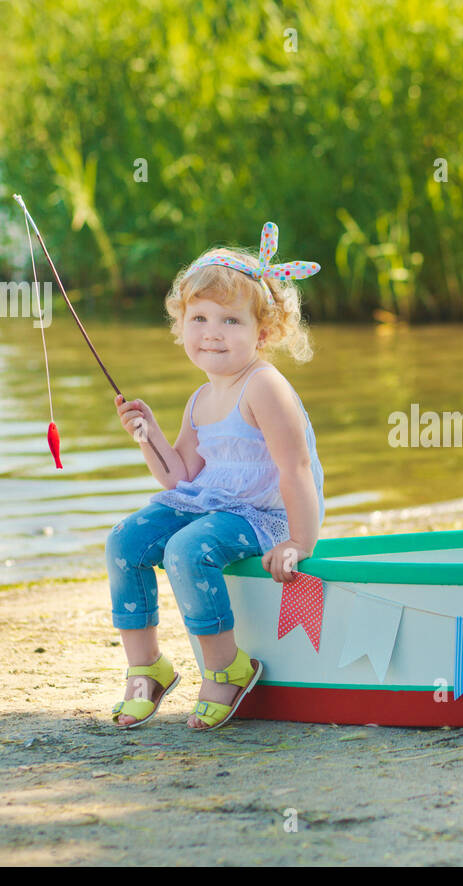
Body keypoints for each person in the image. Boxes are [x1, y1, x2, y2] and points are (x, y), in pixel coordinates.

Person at [105, 223, 324, 730]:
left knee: (186, 550)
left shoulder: (264, 386)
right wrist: (148, 434)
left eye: (230, 320)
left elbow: (294, 469)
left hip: (267, 515)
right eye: (198, 318)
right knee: (125, 541)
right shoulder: (202, 398)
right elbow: (179, 475)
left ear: (262, 333)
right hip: (211, 504)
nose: (212, 332)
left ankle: (227, 667)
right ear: (181, 327)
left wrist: (299, 541)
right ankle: (147, 668)